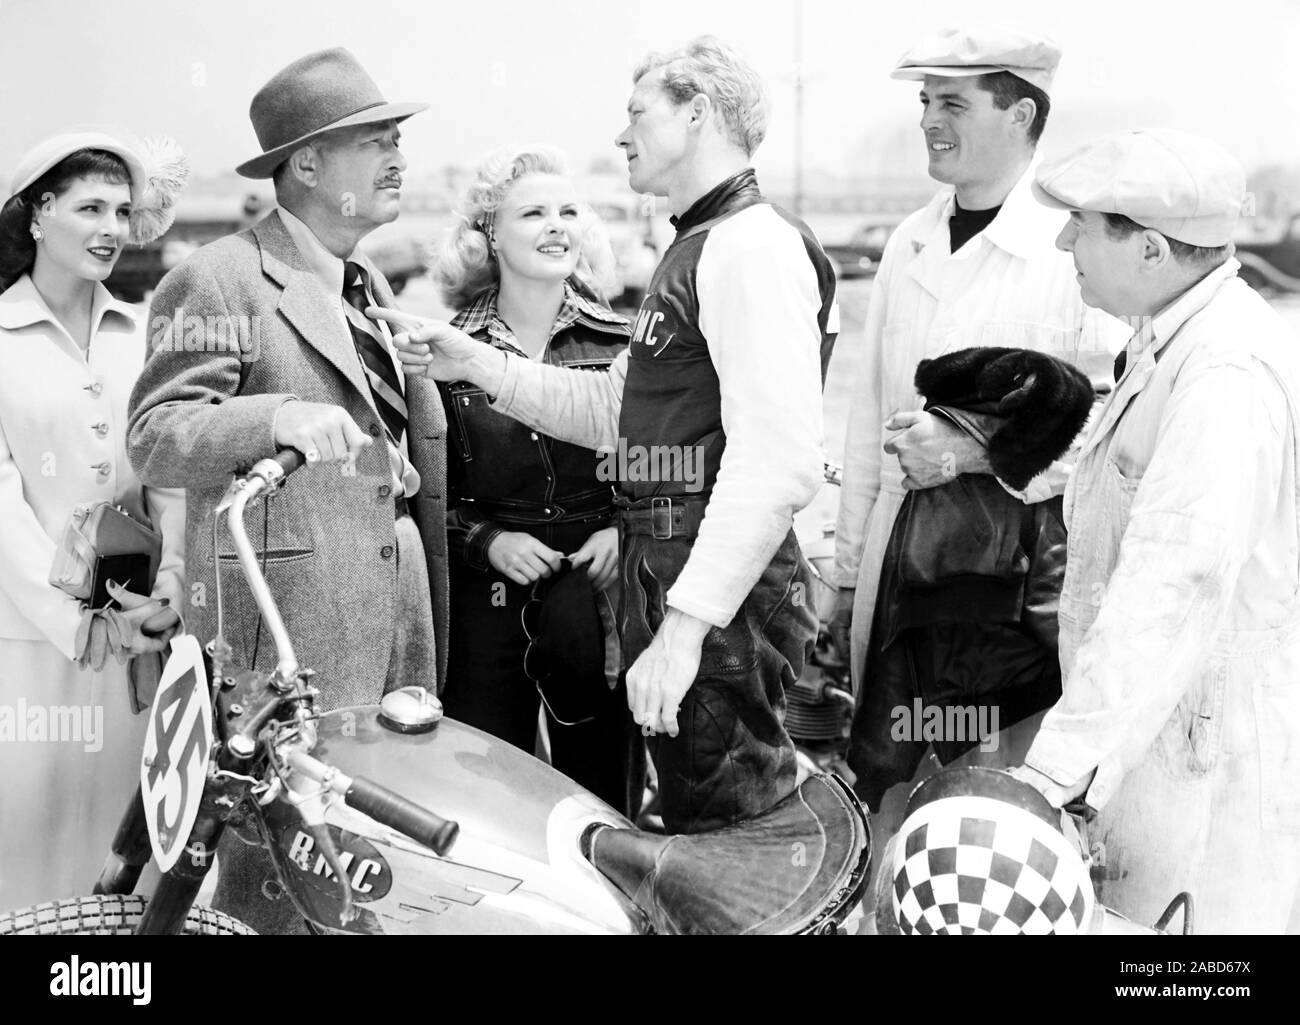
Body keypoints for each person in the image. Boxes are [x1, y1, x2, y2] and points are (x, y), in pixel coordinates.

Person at [375, 36, 839, 834]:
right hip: (684, 589)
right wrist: (472, 361)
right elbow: (611, 411)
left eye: (636, 115)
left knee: (737, 851)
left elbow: (780, 463)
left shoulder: (750, 247)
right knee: (702, 834)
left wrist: (685, 632)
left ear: (697, 115)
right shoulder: (698, 247)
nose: (620, 137)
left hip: (713, 609)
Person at [126, 47, 449, 932]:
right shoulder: (219, 276)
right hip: (283, 645)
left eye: (396, 138)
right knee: (269, 892)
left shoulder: (365, 282)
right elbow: (156, 437)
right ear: (305, 165)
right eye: (372, 140)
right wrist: (270, 417)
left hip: (390, 630)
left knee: (370, 882)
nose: (397, 157)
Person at [829, 26, 1125, 813]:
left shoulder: (1076, 250)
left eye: (952, 102)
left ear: (1022, 115)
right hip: (901, 579)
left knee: (996, 800)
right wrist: (846, 577)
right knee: (891, 790)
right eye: (926, 101)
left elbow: (1114, 429)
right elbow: (865, 428)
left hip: (1019, 588)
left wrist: (969, 450)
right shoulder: (908, 241)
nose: (929, 119)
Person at [1013, 130, 1300, 935]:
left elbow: (1174, 584)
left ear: (1146, 249)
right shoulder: (1168, 344)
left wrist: (1053, 775)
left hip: (1203, 761)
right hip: (1155, 746)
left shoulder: (1223, 373)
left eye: (1084, 224)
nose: (1065, 239)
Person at [0, 131, 186, 910]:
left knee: (122, 865)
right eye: (89, 208)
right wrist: (78, 623)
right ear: (38, 215)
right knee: (30, 853)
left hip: (138, 645)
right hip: (29, 648)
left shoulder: (145, 333)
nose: (112, 226)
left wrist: (170, 585)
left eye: (122, 210)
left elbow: (170, 472)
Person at [433, 145, 635, 812]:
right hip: (484, 606)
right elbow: (424, 494)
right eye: (533, 212)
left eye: (569, 211)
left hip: (596, 599)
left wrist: (621, 527)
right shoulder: (444, 353)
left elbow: (663, 468)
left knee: (603, 796)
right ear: (486, 234)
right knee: (490, 801)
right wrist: (486, 538)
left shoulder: (622, 344)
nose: (556, 225)